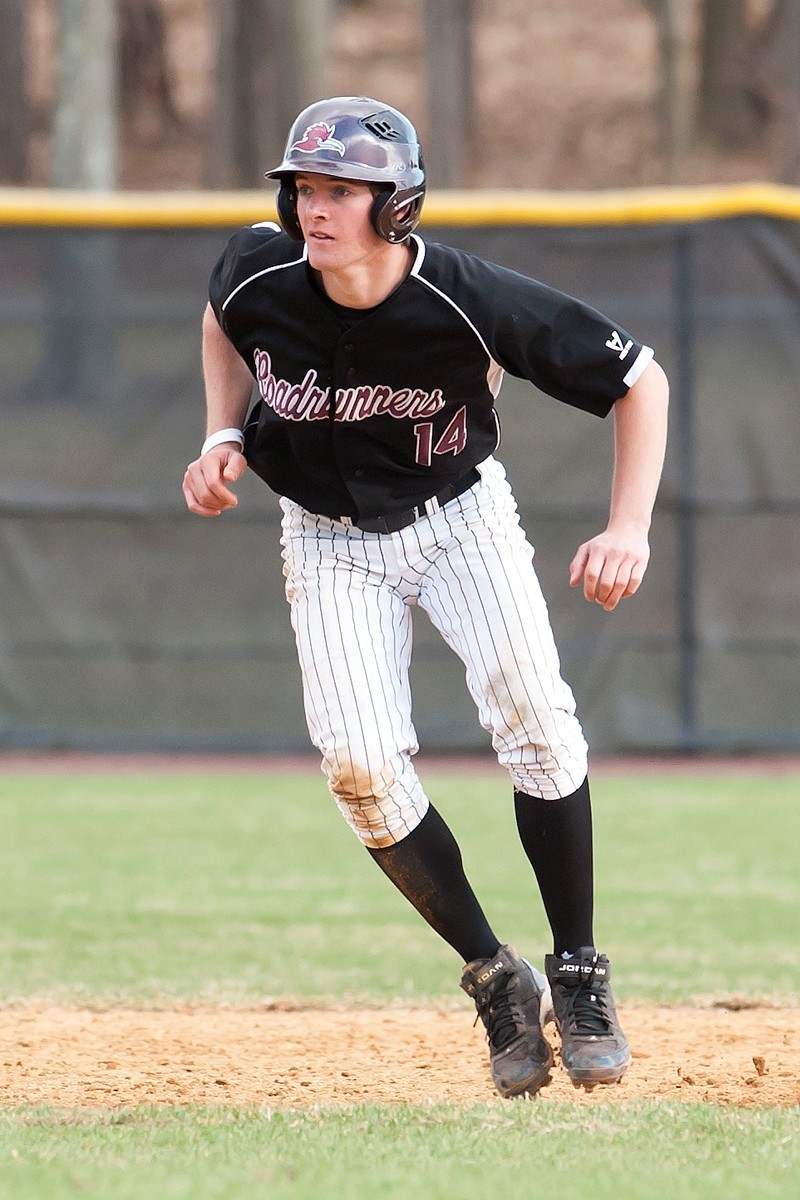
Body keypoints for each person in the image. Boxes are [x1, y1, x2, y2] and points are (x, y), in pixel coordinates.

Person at [182, 97, 669, 1099]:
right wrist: (219, 434)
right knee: (359, 770)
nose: (314, 208)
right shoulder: (257, 268)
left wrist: (627, 528)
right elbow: (221, 317)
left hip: (459, 521)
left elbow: (639, 381)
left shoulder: (468, 298)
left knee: (535, 723)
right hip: (323, 536)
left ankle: (576, 972)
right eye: (304, 188)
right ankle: (496, 977)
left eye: (340, 191)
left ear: (393, 205)